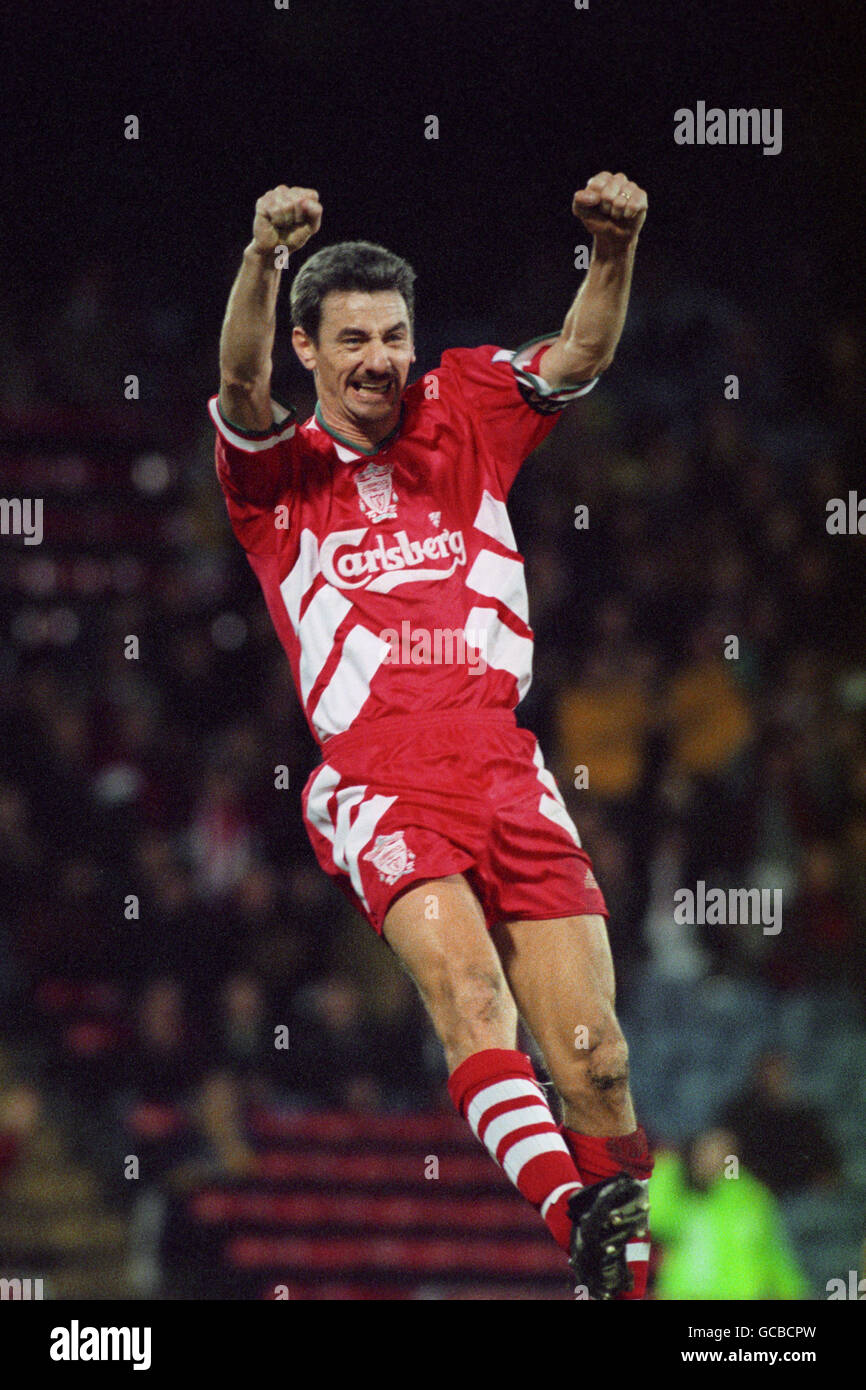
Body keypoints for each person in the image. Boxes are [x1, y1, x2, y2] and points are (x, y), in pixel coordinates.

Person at [209, 171, 653, 1298]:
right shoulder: (277, 478)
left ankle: (627, 1281)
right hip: (381, 780)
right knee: (468, 999)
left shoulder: (464, 406)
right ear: (308, 347)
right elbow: (235, 378)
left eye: (394, 334)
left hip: (506, 766)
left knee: (596, 1064)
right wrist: (262, 256)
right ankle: (575, 1216)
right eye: (350, 338)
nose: (377, 358)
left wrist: (609, 253)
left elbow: (579, 355)